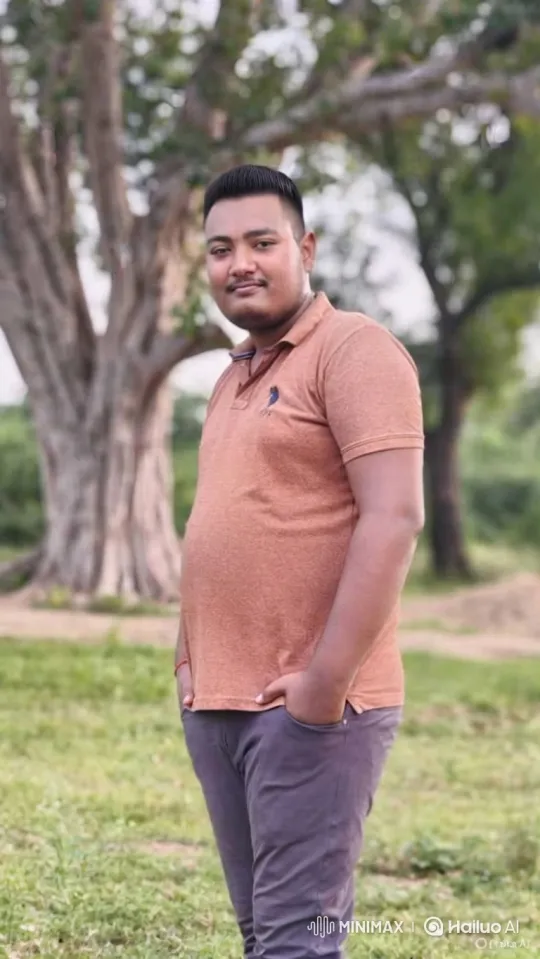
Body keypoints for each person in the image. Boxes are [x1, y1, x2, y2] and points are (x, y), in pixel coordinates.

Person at [175, 164, 425, 959]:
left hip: (312, 706)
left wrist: (324, 682)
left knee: (296, 942)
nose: (239, 262)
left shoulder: (355, 351)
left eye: (260, 241)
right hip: (220, 703)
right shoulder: (232, 376)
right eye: (220, 248)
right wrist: (192, 668)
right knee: (267, 935)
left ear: (305, 247)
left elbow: (394, 519)